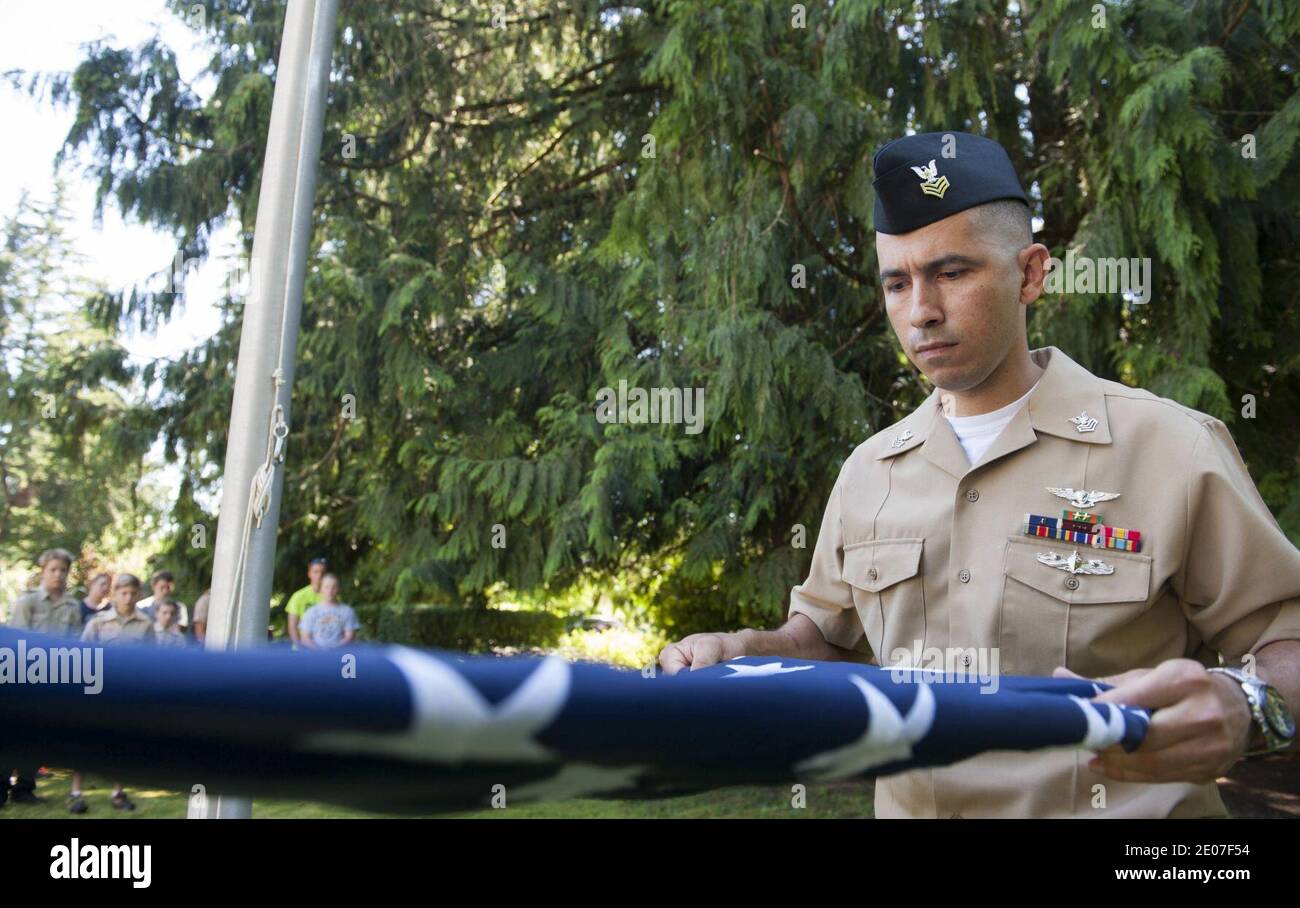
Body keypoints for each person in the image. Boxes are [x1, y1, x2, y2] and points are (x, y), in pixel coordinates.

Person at [658, 131, 1300, 818]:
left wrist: (1245, 703)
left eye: (952, 272)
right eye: (897, 283)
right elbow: (824, 642)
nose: (920, 311)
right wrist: (745, 651)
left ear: (1030, 275)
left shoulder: (1170, 448)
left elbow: (1284, 638)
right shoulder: (870, 471)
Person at [4, 547, 82, 804]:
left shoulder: (72, 606)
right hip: (25, 676)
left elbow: (75, 644)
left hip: (56, 678)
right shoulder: (27, 602)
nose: (58, 574)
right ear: (43, 571)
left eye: (63, 570)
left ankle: (24, 788)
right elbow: (14, 643)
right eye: (53, 569)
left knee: (37, 735)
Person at [76, 572, 154, 812]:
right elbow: (82, 655)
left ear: (138, 595)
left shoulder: (145, 624)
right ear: (115, 594)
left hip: (128, 692)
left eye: (132, 593)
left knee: (122, 742)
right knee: (85, 740)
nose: (128, 597)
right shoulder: (98, 622)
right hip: (99, 688)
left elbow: (152, 660)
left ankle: (118, 793)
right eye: (123, 593)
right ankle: (76, 793)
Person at [298, 573, 360, 650]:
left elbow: (350, 637)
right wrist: (320, 651)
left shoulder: (348, 611)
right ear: (321, 589)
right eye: (326, 587)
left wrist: (334, 650)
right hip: (315, 654)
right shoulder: (311, 612)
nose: (330, 591)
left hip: (340, 654)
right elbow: (305, 638)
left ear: (339, 589)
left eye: (334, 587)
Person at [285, 557, 328, 646]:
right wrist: (301, 648)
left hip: (325, 648)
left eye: (322, 572)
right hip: (302, 649)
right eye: (316, 572)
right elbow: (292, 628)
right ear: (309, 574)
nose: (319, 575)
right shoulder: (298, 596)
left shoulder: (332, 597)